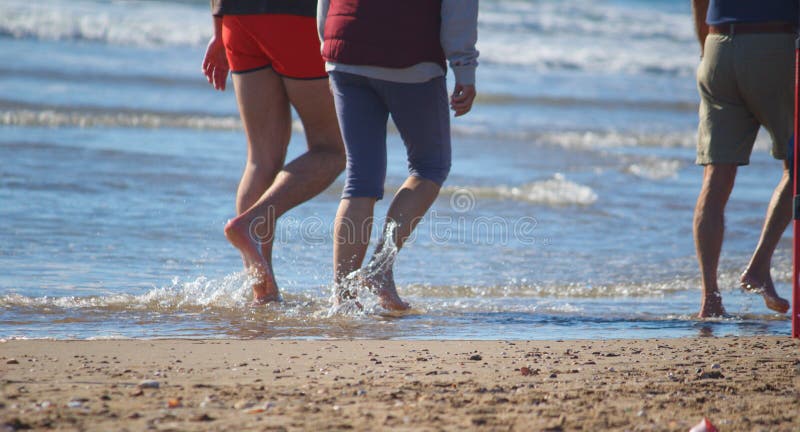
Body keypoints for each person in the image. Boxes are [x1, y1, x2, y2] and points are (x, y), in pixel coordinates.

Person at [318, 0, 479, 310]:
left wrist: (329, 42)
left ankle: (343, 298)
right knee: (430, 166)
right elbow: (459, 9)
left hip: (344, 46)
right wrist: (464, 68)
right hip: (409, 54)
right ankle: (379, 269)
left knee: (360, 177)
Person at [202, 0, 345, 304]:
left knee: (260, 159)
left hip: (237, 19)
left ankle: (263, 293)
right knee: (332, 149)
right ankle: (251, 222)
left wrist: (218, 30)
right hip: (295, 17)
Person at [691, 0, 797, 317]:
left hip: (717, 46)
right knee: (796, 166)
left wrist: (705, 45)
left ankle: (710, 298)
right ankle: (759, 266)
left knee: (716, 176)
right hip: (775, 46)